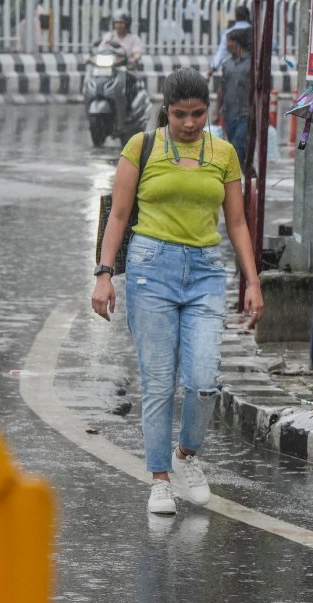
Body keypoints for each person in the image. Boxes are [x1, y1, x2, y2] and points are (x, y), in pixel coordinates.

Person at [91, 68, 264, 515]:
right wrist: (104, 273)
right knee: (158, 382)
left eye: (198, 114)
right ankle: (159, 480)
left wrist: (253, 282)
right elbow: (118, 215)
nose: (189, 123)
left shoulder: (223, 153)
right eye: (180, 114)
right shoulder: (141, 147)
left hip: (206, 272)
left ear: (209, 110)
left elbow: (238, 223)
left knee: (204, 380)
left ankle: (185, 454)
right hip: (151, 271)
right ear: (165, 110)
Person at [213, 28, 253, 161]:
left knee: (237, 147)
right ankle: (247, 174)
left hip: (245, 115)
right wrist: (216, 111)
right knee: (234, 148)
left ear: (236, 43)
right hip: (229, 115)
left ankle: (245, 175)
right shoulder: (227, 64)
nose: (226, 45)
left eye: (228, 41)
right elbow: (221, 88)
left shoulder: (251, 64)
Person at [207, 6, 251, 78]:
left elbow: (221, 53)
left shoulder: (228, 33)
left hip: (234, 71)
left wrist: (210, 72)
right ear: (247, 16)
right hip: (251, 71)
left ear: (236, 17)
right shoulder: (255, 33)